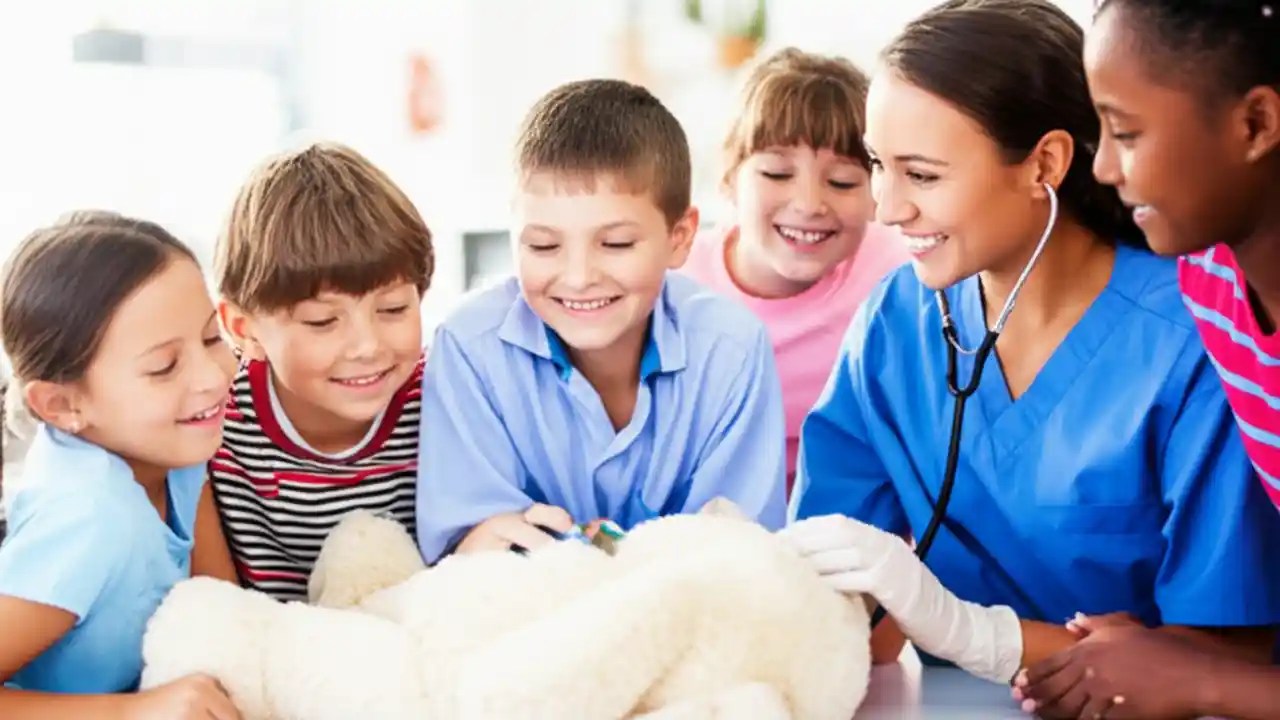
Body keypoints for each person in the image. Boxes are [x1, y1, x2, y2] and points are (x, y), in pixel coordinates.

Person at [781, 0, 1280, 690]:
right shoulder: (896, 322)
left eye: (922, 174)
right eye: (876, 166)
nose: (888, 207)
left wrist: (967, 629)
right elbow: (826, 598)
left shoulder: (1193, 337)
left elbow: (1224, 658)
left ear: (1044, 162)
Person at [1018, 1, 1280, 717]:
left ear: (1256, 123)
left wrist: (1205, 680)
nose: (1100, 167)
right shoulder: (1213, 285)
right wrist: (1175, 652)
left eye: (1126, 133)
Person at [415, 79, 787, 563]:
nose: (578, 277)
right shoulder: (469, 349)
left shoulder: (731, 350)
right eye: (543, 246)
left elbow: (740, 555)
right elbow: (474, 558)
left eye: (615, 244)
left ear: (680, 237)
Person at [0, 212, 242, 718]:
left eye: (211, 338)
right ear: (64, 406)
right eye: (164, 367)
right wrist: (131, 713)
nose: (212, 378)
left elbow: (223, 609)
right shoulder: (88, 520)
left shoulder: (175, 449)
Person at [211, 142, 434, 602]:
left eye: (393, 309)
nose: (368, 346)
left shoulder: (444, 397)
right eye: (322, 321)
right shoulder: (219, 421)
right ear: (244, 328)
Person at [681, 48, 907, 494]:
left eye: (842, 181)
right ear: (729, 177)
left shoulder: (900, 276)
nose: (808, 203)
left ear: (877, 192)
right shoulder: (675, 282)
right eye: (777, 173)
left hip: (845, 531)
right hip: (707, 525)